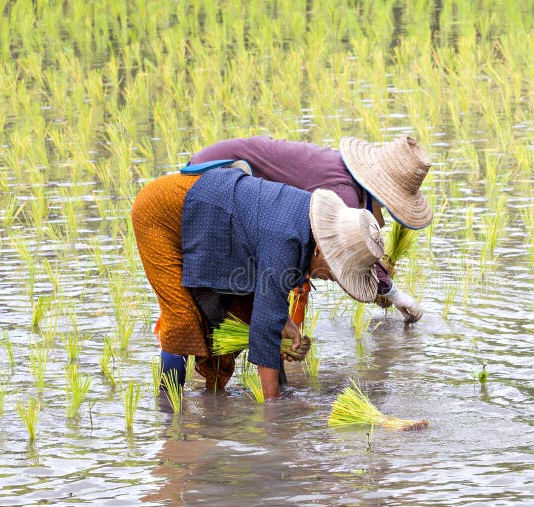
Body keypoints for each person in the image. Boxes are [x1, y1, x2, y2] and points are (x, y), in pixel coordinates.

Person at [131, 165, 384, 398]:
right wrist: (273, 415)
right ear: (320, 248)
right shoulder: (286, 240)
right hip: (160, 214)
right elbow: (264, 330)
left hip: (212, 216)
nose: (331, 278)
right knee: (183, 318)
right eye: (335, 270)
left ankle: (210, 404)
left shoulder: (303, 226)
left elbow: (267, 293)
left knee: (240, 313)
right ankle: (167, 406)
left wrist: (283, 320)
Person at [188, 135, 432, 324]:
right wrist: (395, 294)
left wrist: (377, 273)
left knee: (293, 269)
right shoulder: (343, 191)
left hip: (215, 169)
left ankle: (285, 349)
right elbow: (340, 252)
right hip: (213, 176)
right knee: (234, 286)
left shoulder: (340, 169)